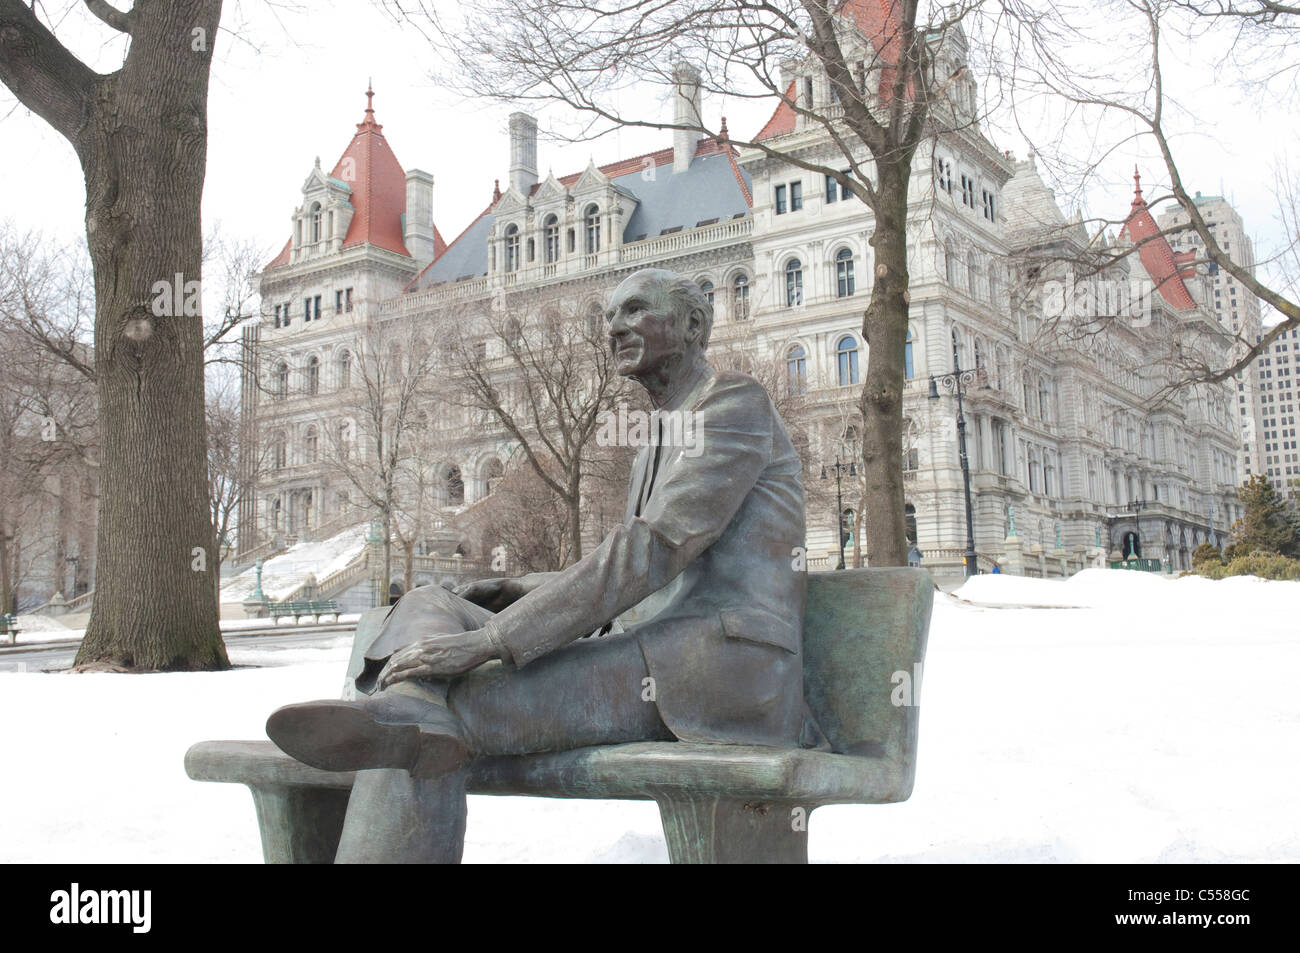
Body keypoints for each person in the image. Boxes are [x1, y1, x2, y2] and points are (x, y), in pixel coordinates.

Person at [265, 267, 825, 861]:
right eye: (608, 318)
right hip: (651, 647)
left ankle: (414, 716)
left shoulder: (734, 404)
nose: (614, 329)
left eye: (635, 311)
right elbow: (640, 569)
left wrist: (494, 640)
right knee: (425, 605)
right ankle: (411, 712)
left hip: (717, 668)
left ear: (692, 324)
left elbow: (655, 547)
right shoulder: (658, 436)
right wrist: (514, 588)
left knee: (433, 723)